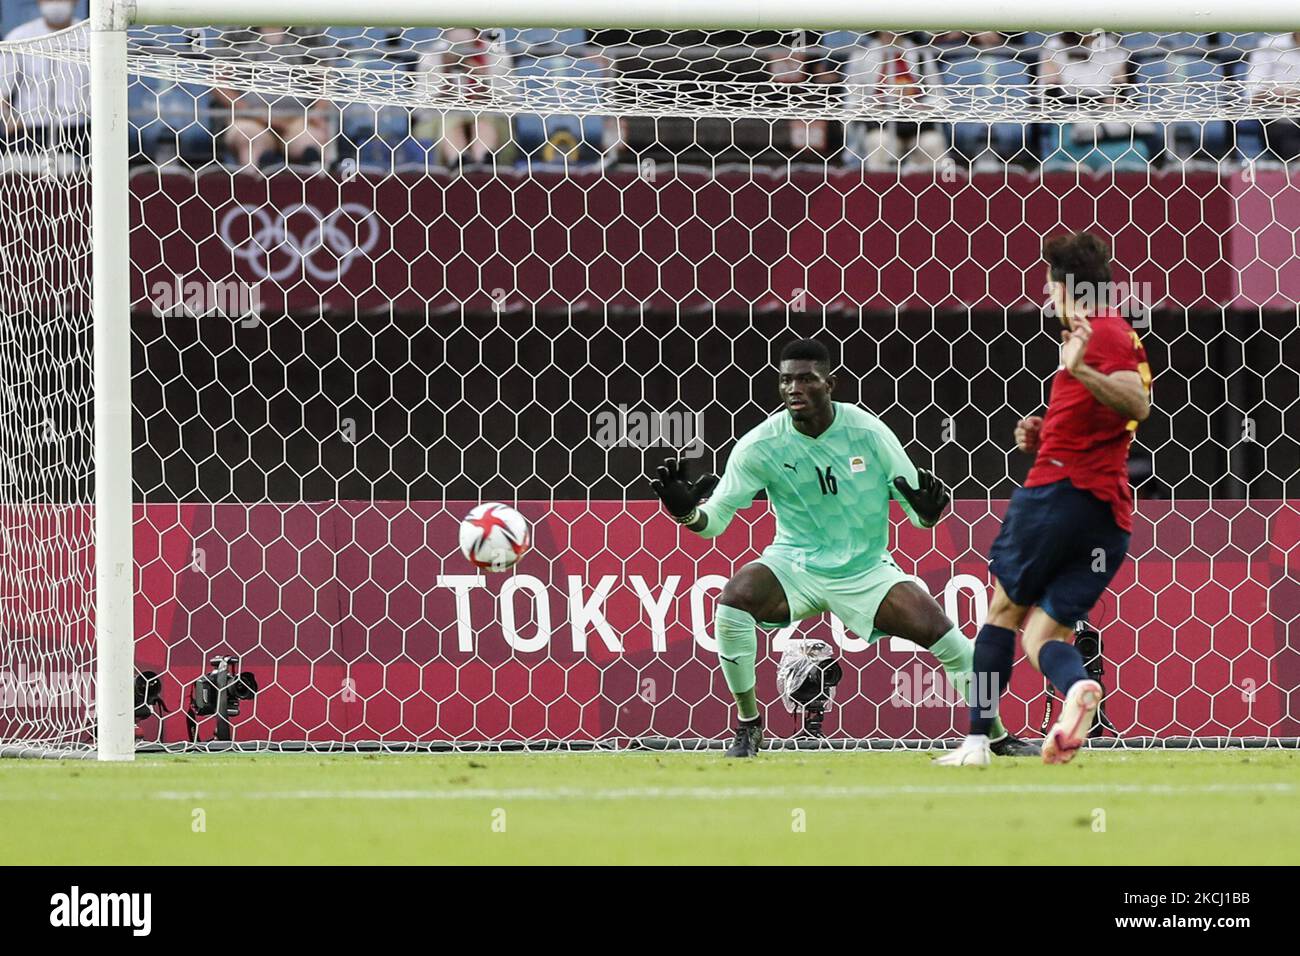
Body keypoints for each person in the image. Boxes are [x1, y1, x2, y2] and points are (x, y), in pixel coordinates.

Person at [650, 338, 1039, 758]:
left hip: (866, 571)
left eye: (805, 379)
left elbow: (917, 509)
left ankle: (997, 736)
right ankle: (748, 724)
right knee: (732, 602)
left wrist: (928, 513)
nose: (793, 389)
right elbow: (715, 521)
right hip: (793, 565)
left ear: (830, 383)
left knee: (951, 641)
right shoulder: (760, 445)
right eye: (785, 381)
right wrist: (687, 512)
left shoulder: (867, 433)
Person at [936, 232, 1152, 766]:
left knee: (1002, 613)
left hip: (1059, 497)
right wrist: (1045, 429)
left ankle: (976, 743)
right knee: (1042, 634)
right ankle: (1078, 689)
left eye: (1049, 282)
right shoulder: (1114, 333)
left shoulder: (1097, 334)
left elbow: (1138, 404)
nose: (1045, 291)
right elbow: (1112, 416)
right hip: (1107, 515)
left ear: (1064, 286)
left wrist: (1077, 370)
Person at [0, 0, 90, 157]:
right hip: (31, 130)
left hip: (81, 129)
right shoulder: (20, 38)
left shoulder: (92, 37)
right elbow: (2, 91)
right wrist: (9, 120)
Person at [1244, 32, 1300, 163]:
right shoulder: (1269, 46)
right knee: (1289, 139)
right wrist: (1291, 96)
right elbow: (1252, 96)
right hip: (1282, 118)